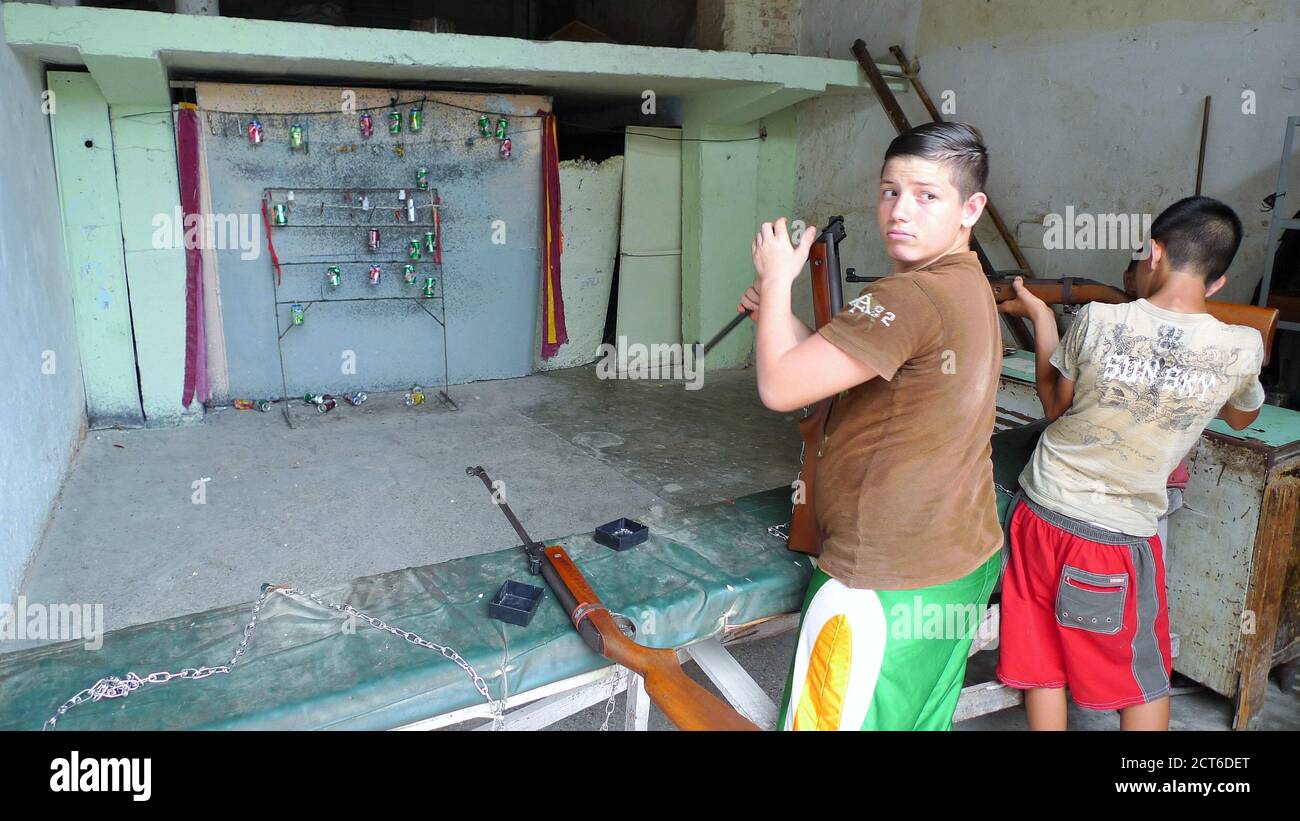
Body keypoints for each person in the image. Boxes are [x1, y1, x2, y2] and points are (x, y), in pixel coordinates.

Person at [742, 121, 1004, 730]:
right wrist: (775, 317)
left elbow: (780, 387)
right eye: (890, 191)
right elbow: (851, 370)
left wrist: (777, 280)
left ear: (971, 209)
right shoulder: (964, 282)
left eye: (926, 195)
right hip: (956, 560)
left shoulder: (908, 297)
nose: (899, 211)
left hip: (882, 580)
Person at [995, 196, 1265, 730]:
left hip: (1040, 512)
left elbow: (1053, 406)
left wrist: (1042, 317)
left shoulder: (1098, 318)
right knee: (1141, 680)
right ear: (1217, 284)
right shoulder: (1240, 347)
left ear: (1154, 253)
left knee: (1043, 665)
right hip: (1116, 538)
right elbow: (1241, 418)